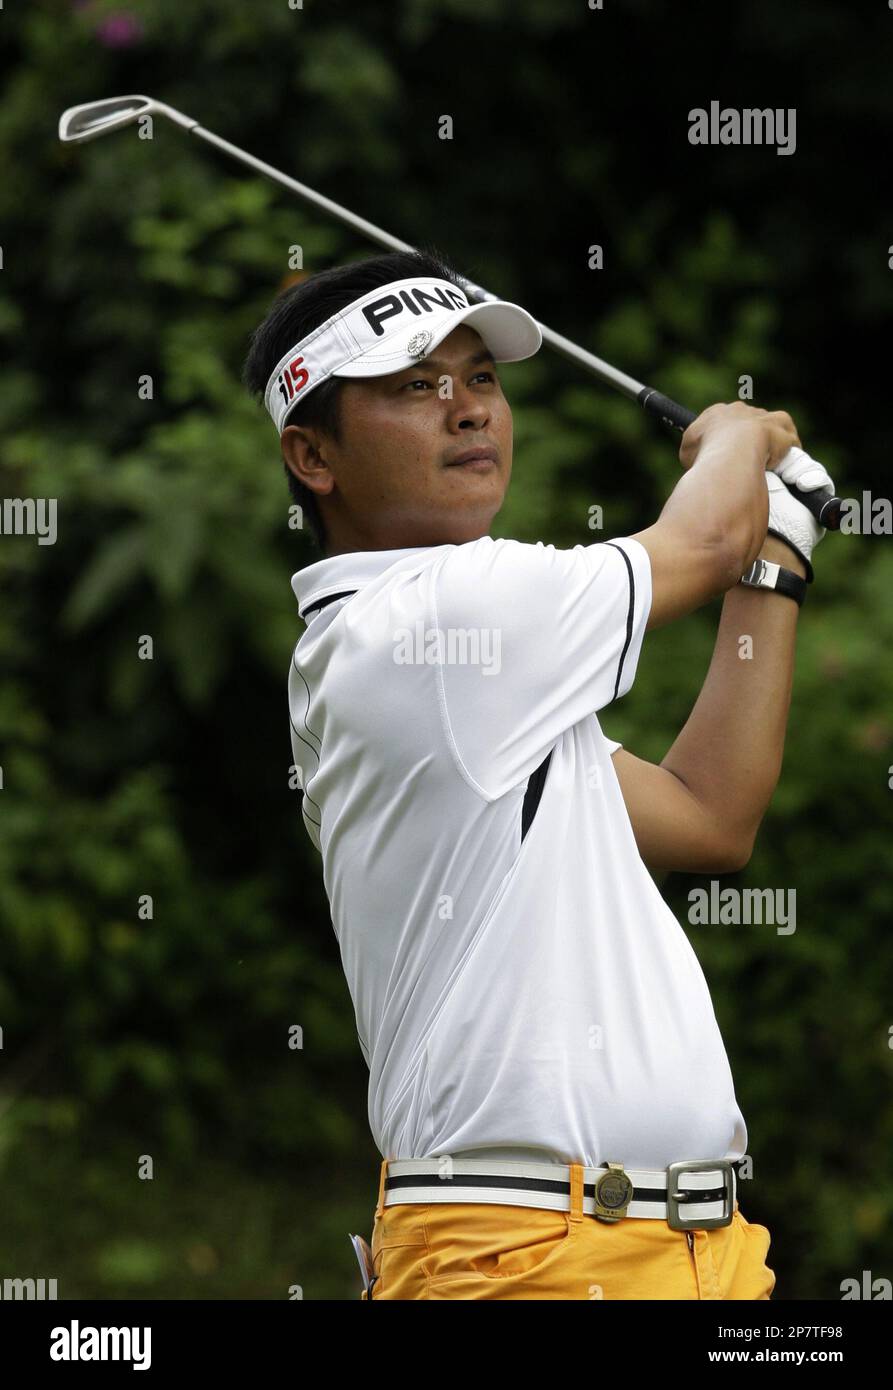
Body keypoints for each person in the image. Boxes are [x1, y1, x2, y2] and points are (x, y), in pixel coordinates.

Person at [241, 247, 833, 1300]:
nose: (466, 409)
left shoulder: (473, 671)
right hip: (527, 1256)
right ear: (312, 455)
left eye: (480, 377)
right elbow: (695, 541)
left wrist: (772, 555)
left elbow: (707, 816)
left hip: (706, 1253)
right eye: (412, 386)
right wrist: (738, 433)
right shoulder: (426, 624)